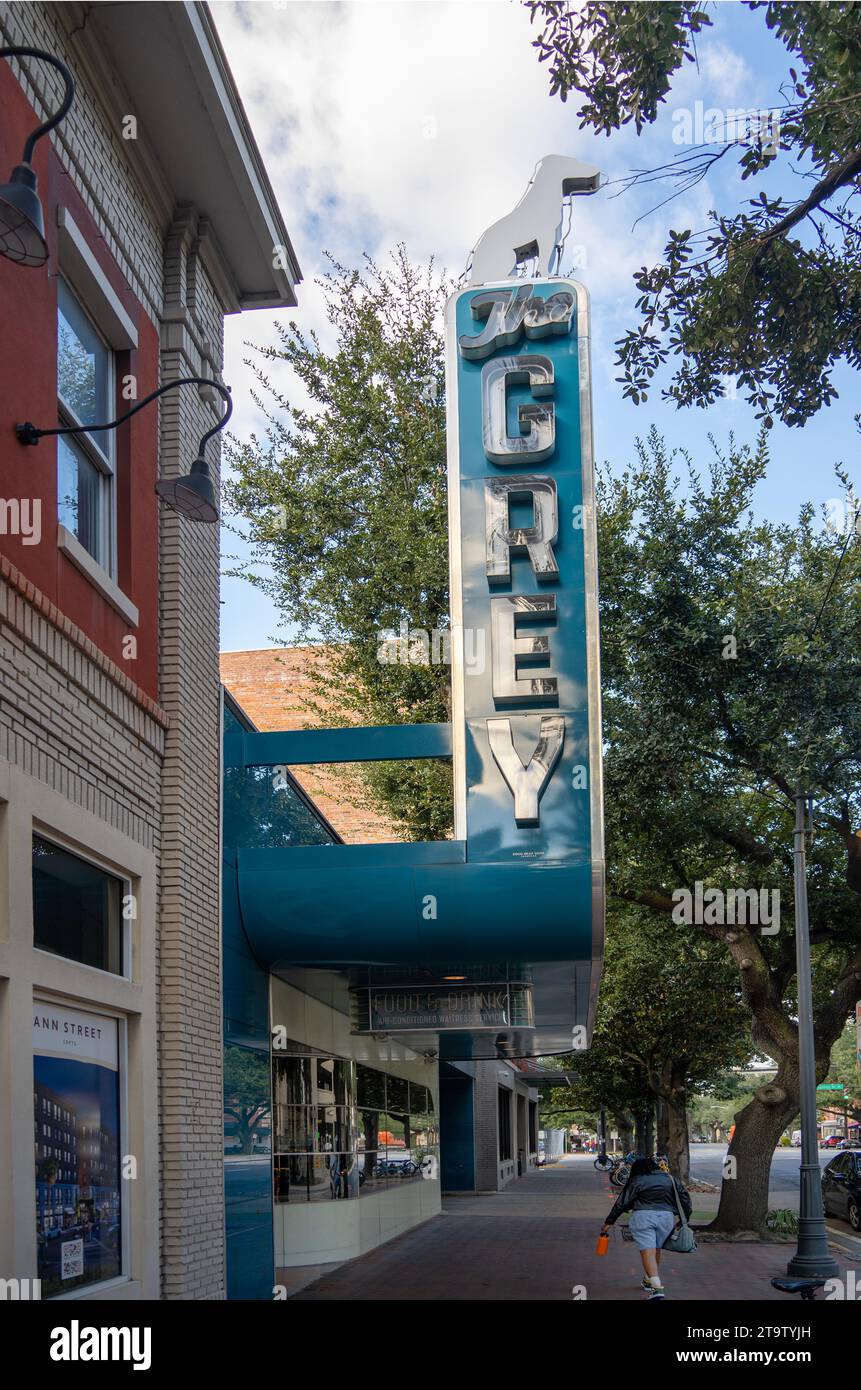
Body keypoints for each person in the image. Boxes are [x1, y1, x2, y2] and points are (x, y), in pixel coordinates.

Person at [599, 1156, 692, 1300]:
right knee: (656, 1248)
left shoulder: (638, 1180)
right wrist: (685, 1218)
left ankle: (657, 1288)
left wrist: (610, 1221)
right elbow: (685, 1198)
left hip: (643, 1217)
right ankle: (650, 1279)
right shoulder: (670, 1179)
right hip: (666, 1218)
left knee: (647, 1251)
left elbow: (622, 1202)